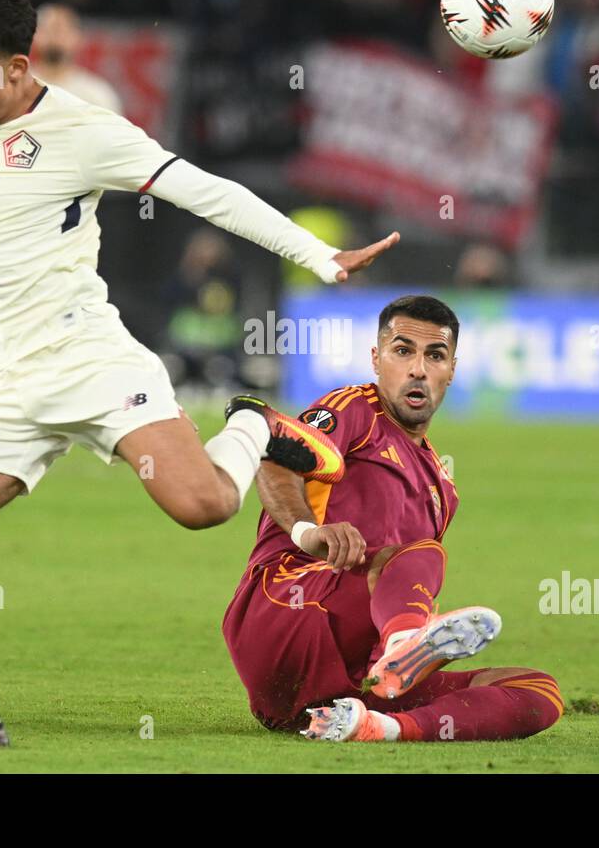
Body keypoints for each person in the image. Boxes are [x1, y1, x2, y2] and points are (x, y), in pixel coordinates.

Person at [0, 0, 398, 747]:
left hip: (89, 363)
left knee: (202, 508)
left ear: (17, 66)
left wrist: (319, 256)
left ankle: (253, 430)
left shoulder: (85, 131)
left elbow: (209, 195)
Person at [223, 295, 563, 742]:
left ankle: (380, 726)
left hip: (341, 682)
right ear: (376, 359)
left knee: (538, 691)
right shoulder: (354, 411)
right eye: (403, 351)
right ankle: (404, 647)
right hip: (286, 609)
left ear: (452, 370)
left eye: (434, 355)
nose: (418, 368)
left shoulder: (443, 491)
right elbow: (275, 455)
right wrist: (308, 532)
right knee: (419, 555)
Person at [31, 3, 122, 113]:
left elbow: (113, 129)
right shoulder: (15, 89)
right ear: (33, 36)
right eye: (48, 29)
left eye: (62, 30)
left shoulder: (96, 93)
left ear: (78, 37)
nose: (55, 36)